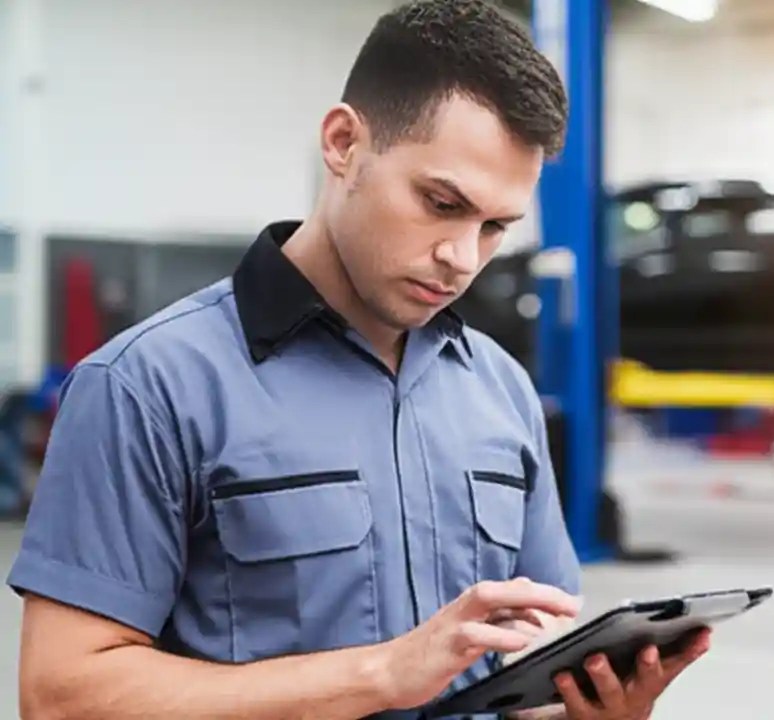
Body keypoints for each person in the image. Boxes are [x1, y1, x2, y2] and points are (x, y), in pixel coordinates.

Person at [6, 2, 711, 718]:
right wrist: (380, 674)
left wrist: (589, 707)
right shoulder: (146, 388)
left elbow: (535, 663)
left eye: (495, 227)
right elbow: (63, 698)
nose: (462, 258)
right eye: (441, 202)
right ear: (343, 142)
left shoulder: (501, 390)